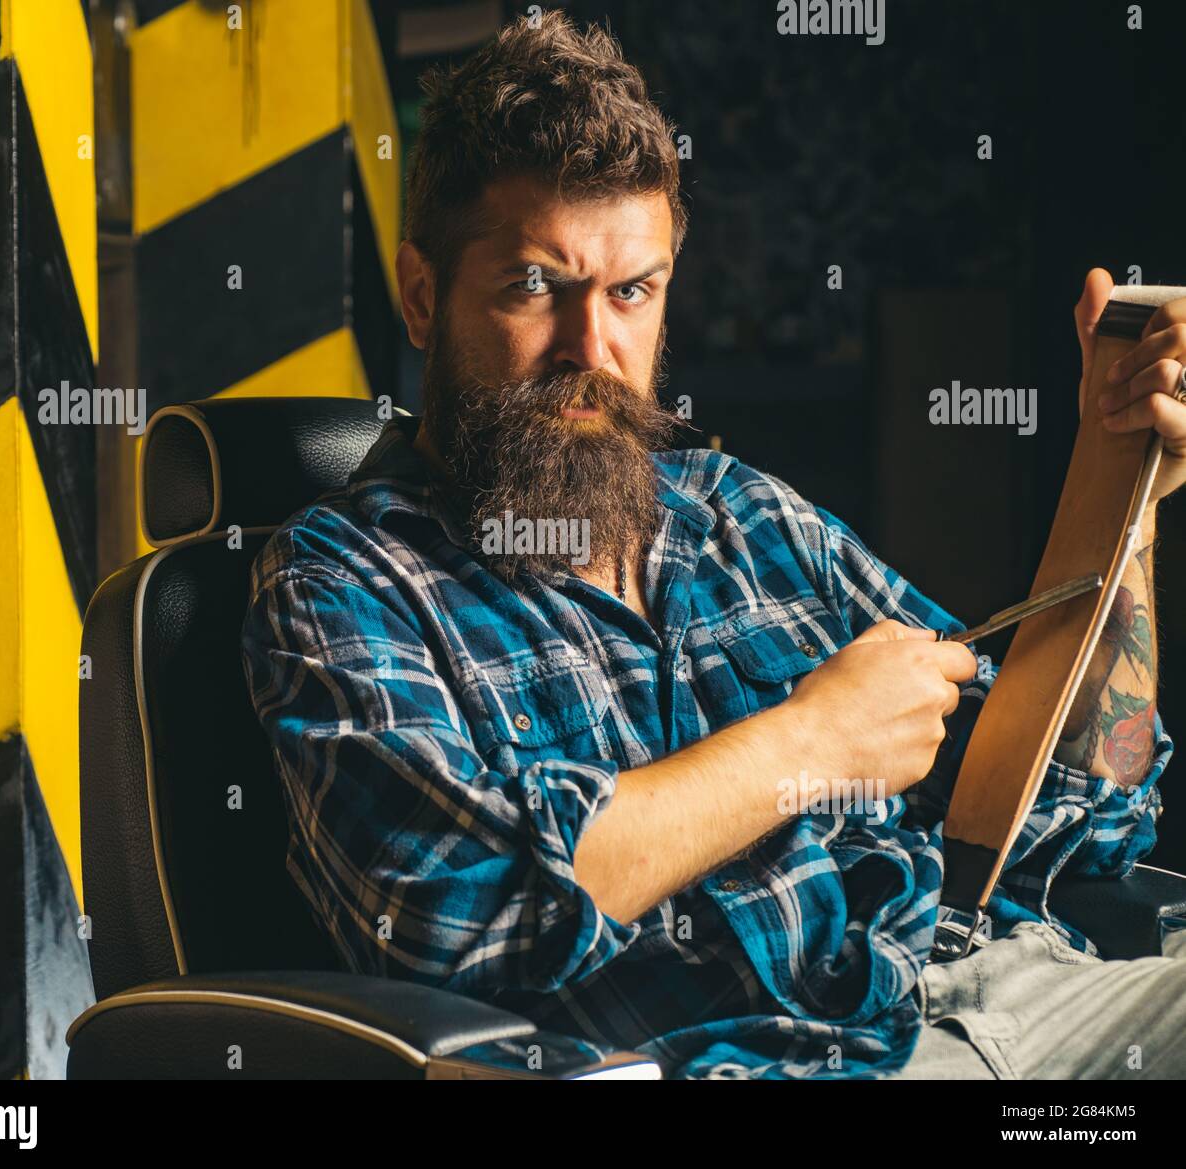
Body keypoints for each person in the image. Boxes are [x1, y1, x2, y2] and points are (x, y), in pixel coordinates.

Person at [240, 11, 1186, 1079]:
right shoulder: (349, 581)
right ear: (422, 295)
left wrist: (1128, 494)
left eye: (630, 293)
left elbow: (1072, 815)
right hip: (805, 1061)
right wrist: (807, 745)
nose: (590, 351)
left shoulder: (741, 516)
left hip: (1020, 988)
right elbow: (452, 908)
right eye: (533, 286)